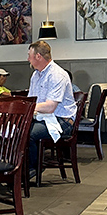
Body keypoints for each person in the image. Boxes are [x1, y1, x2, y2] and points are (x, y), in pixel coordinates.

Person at [27, 40, 77, 172]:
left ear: (38, 56)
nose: (28, 59)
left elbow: (50, 107)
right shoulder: (35, 75)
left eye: (29, 56)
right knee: (16, 130)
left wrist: (27, 108)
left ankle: (33, 169)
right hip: (44, 118)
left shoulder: (57, 74)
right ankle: (19, 169)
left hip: (63, 120)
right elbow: (31, 100)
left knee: (28, 134)